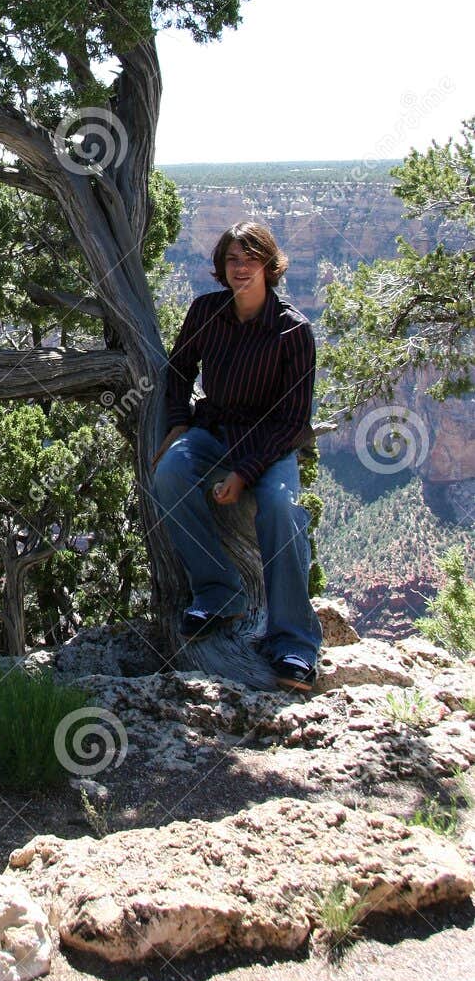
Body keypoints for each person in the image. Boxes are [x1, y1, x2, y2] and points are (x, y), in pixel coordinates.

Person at [150, 221, 321, 694]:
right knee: (169, 473)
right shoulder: (206, 311)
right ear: (221, 268)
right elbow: (179, 368)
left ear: (270, 265)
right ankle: (218, 590)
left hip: (269, 443)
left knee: (281, 509)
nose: (240, 268)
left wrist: (244, 474)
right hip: (213, 429)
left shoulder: (293, 331)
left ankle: (294, 643)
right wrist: (178, 422)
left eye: (250, 259)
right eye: (231, 259)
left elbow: (291, 421)